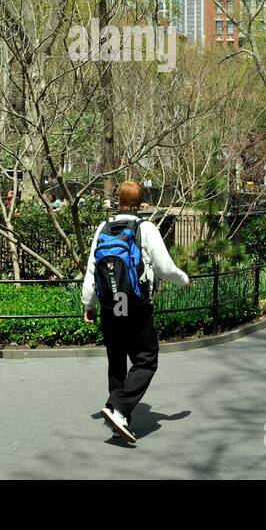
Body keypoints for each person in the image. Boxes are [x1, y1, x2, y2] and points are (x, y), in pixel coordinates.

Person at [81, 180, 190, 443]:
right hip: (135, 304)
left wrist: (88, 304)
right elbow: (164, 268)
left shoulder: (103, 228)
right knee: (146, 358)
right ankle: (118, 408)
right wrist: (183, 279)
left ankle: (119, 416)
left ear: (117, 200)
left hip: (111, 304)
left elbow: (92, 269)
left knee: (117, 360)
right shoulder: (145, 228)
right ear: (141, 203)